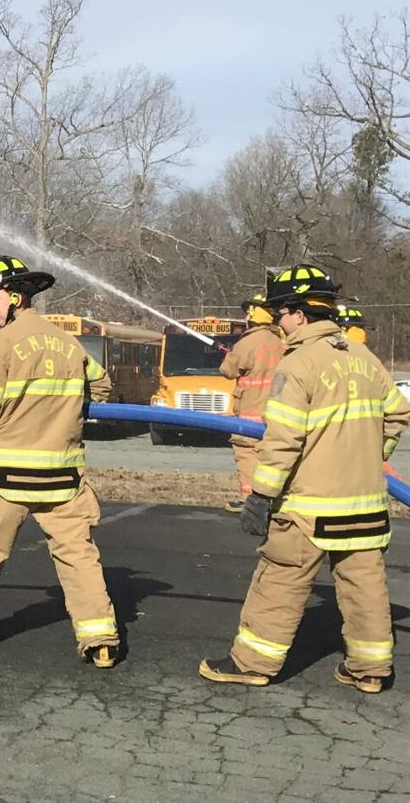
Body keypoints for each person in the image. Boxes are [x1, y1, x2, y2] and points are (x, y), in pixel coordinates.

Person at [200, 264, 409, 693]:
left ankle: (252, 663)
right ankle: (369, 671)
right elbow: (398, 413)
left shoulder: (298, 364)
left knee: (279, 582)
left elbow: (283, 440)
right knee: (364, 589)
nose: (277, 321)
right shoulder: (364, 358)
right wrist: (372, 456)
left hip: (310, 508)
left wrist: (261, 495)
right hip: (367, 505)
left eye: (280, 313)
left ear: (299, 314)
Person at [0, 255, 120, 667]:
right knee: (78, 555)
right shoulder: (68, 342)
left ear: (17, 297)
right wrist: (66, 413)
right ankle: (101, 642)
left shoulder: (2, 344)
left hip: (5, 477)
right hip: (62, 477)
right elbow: (104, 387)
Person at [218, 292, 285, 514]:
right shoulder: (282, 342)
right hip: (279, 415)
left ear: (252, 315)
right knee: (274, 457)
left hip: (251, 414)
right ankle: (273, 497)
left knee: (247, 455)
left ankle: (249, 499)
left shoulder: (248, 342)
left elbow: (227, 371)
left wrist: (230, 355)